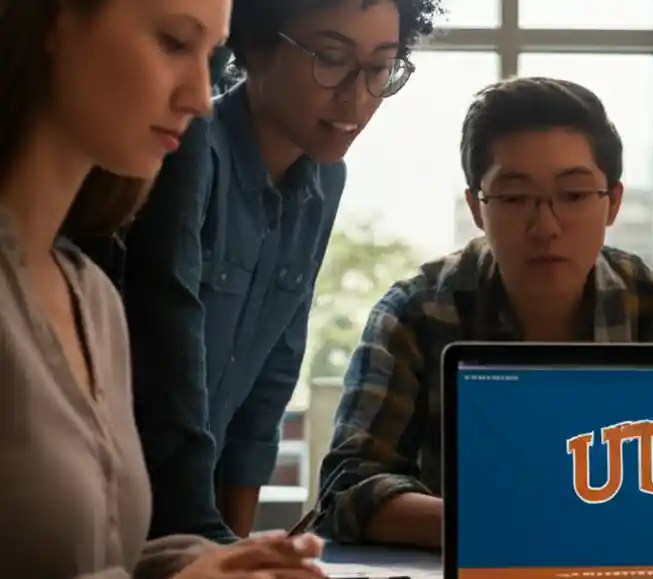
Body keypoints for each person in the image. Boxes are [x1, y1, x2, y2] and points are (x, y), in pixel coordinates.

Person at [0, 0, 331, 579]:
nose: (202, 98)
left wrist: (207, 569)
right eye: (174, 42)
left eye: (211, 58)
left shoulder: (89, 297)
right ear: (53, 22)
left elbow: (70, 573)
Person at [313, 77, 653, 550]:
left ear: (613, 203)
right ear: (476, 207)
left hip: (631, 568)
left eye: (574, 195)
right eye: (513, 198)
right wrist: (503, 525)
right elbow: (348, 490)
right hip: (466, 578)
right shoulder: (416, 314)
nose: (545, 226)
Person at [122, 0, 440, 541]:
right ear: (254, 45)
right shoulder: (188, 147)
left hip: (203, 523)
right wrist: (209, 545)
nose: (356, 97)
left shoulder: (325, 180)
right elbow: (168, 368)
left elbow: (273, 376)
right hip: (128, 500)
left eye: (380, 68)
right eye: (331, 59)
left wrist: (239, 549)